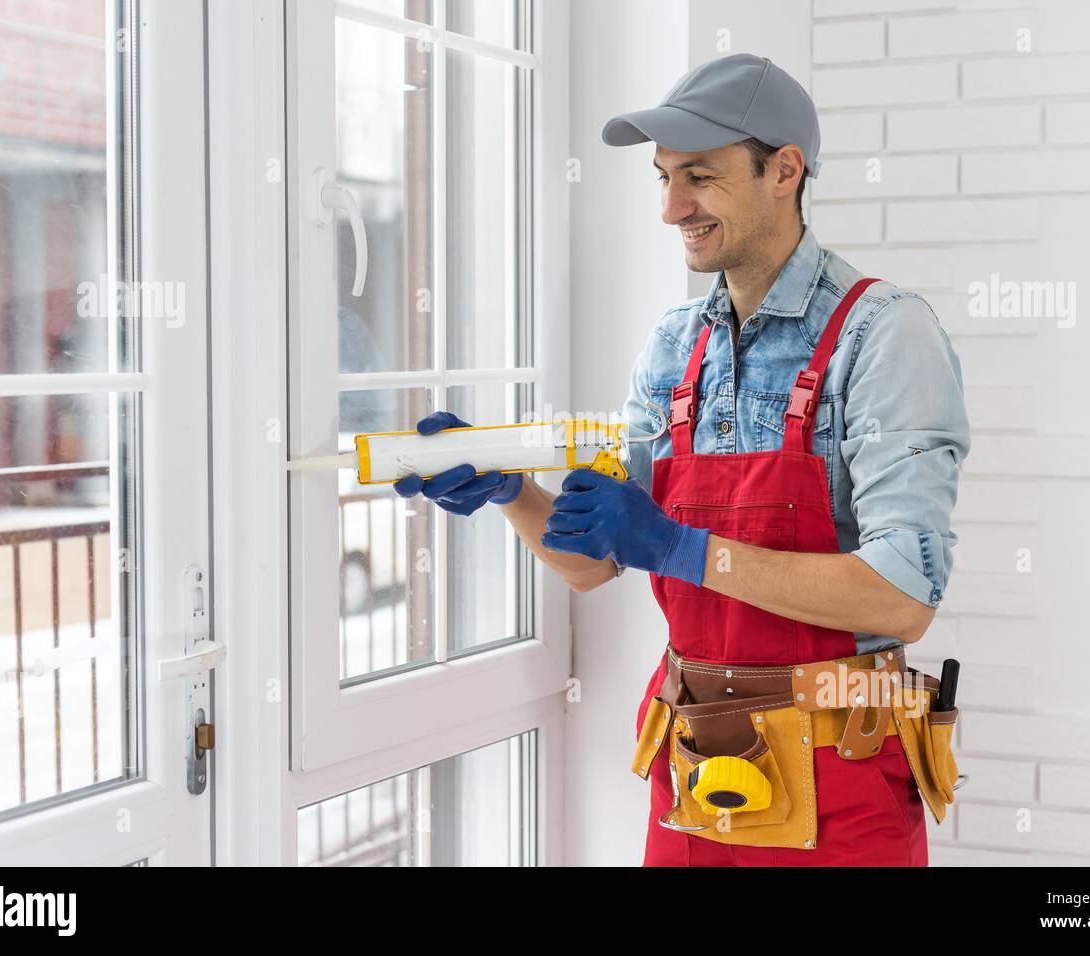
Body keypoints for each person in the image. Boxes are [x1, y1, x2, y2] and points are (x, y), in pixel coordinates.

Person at [394, 53, 971, 866]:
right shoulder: (674, 348)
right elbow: (594, 563)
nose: (671, 207)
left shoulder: (881, 335)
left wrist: (679, 548)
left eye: (698, 176)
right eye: (663, 178)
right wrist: (515, 492)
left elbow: (901, 598)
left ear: (784, 170)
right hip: (696, 771)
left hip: (840, 775)